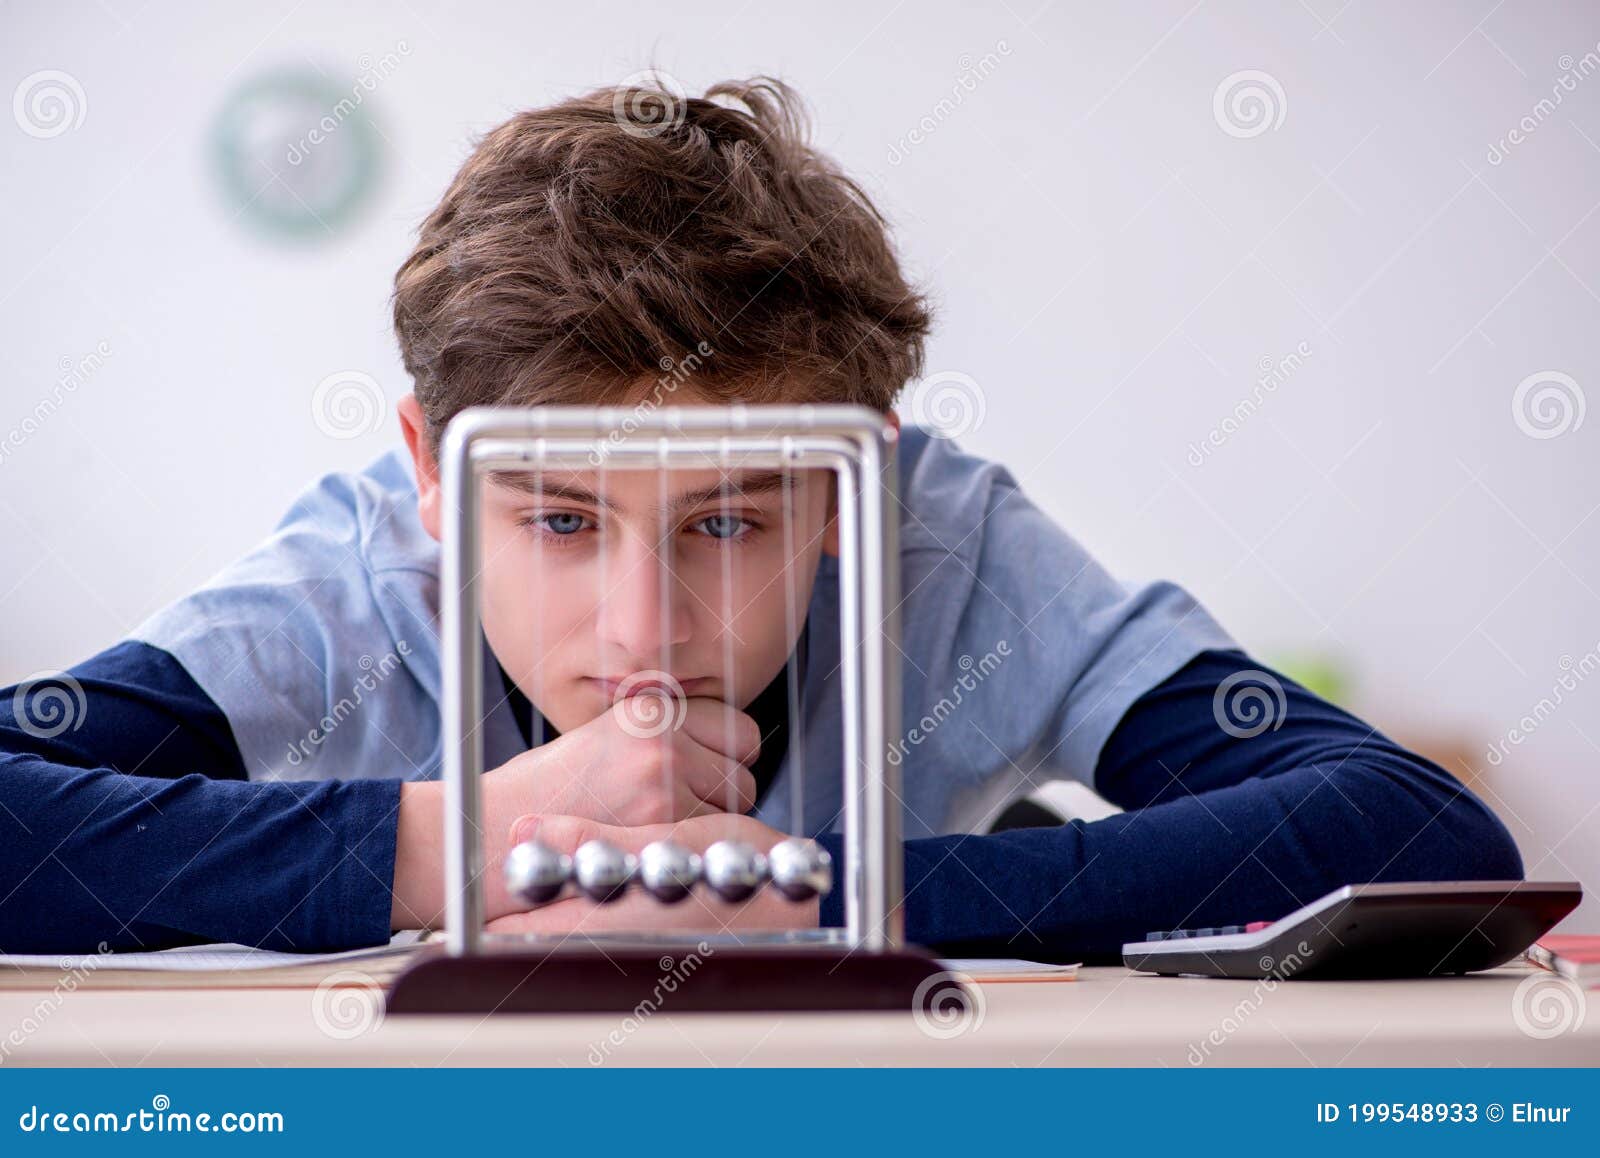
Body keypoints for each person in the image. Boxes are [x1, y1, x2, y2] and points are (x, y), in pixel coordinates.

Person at [0, 77, 1521, 958]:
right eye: (559, 521)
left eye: (731, 523)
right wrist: (446, 845)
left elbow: (1415, 831)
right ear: (425, 472)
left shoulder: (948, 545)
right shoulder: (353, 579)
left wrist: (797, 892)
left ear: (861, 474)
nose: (646, 627)